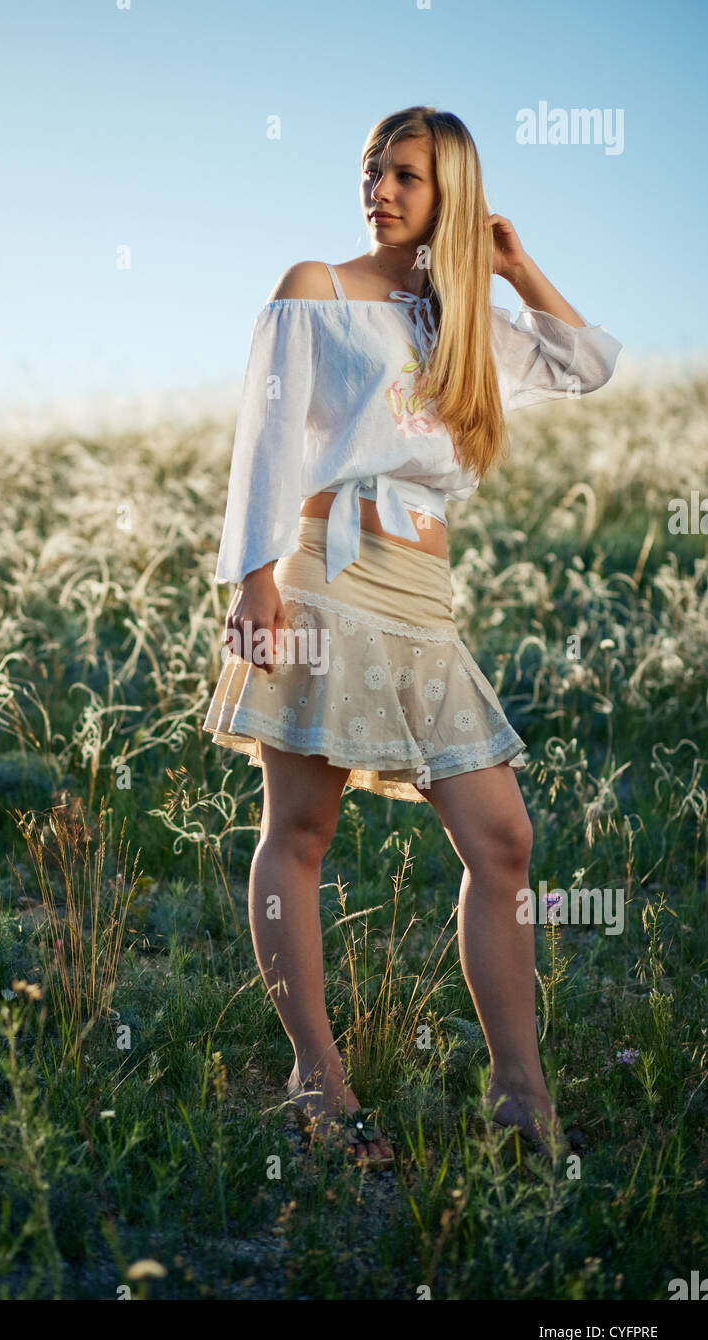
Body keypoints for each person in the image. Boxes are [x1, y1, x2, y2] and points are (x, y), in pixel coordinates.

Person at [203, 105, 622, 1169]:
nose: (380, 190)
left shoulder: (460, 327)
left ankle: (518, 1098)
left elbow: (586, 366)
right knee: (299, 832)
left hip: (425, 606)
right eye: (372, 171)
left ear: (452, 198)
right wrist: (253, 581)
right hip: (327, 583)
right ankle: (318, 1087)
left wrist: (515, 268)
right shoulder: (316, 291)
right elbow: (260, 439)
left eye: (407, 177)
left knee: (503, 843)